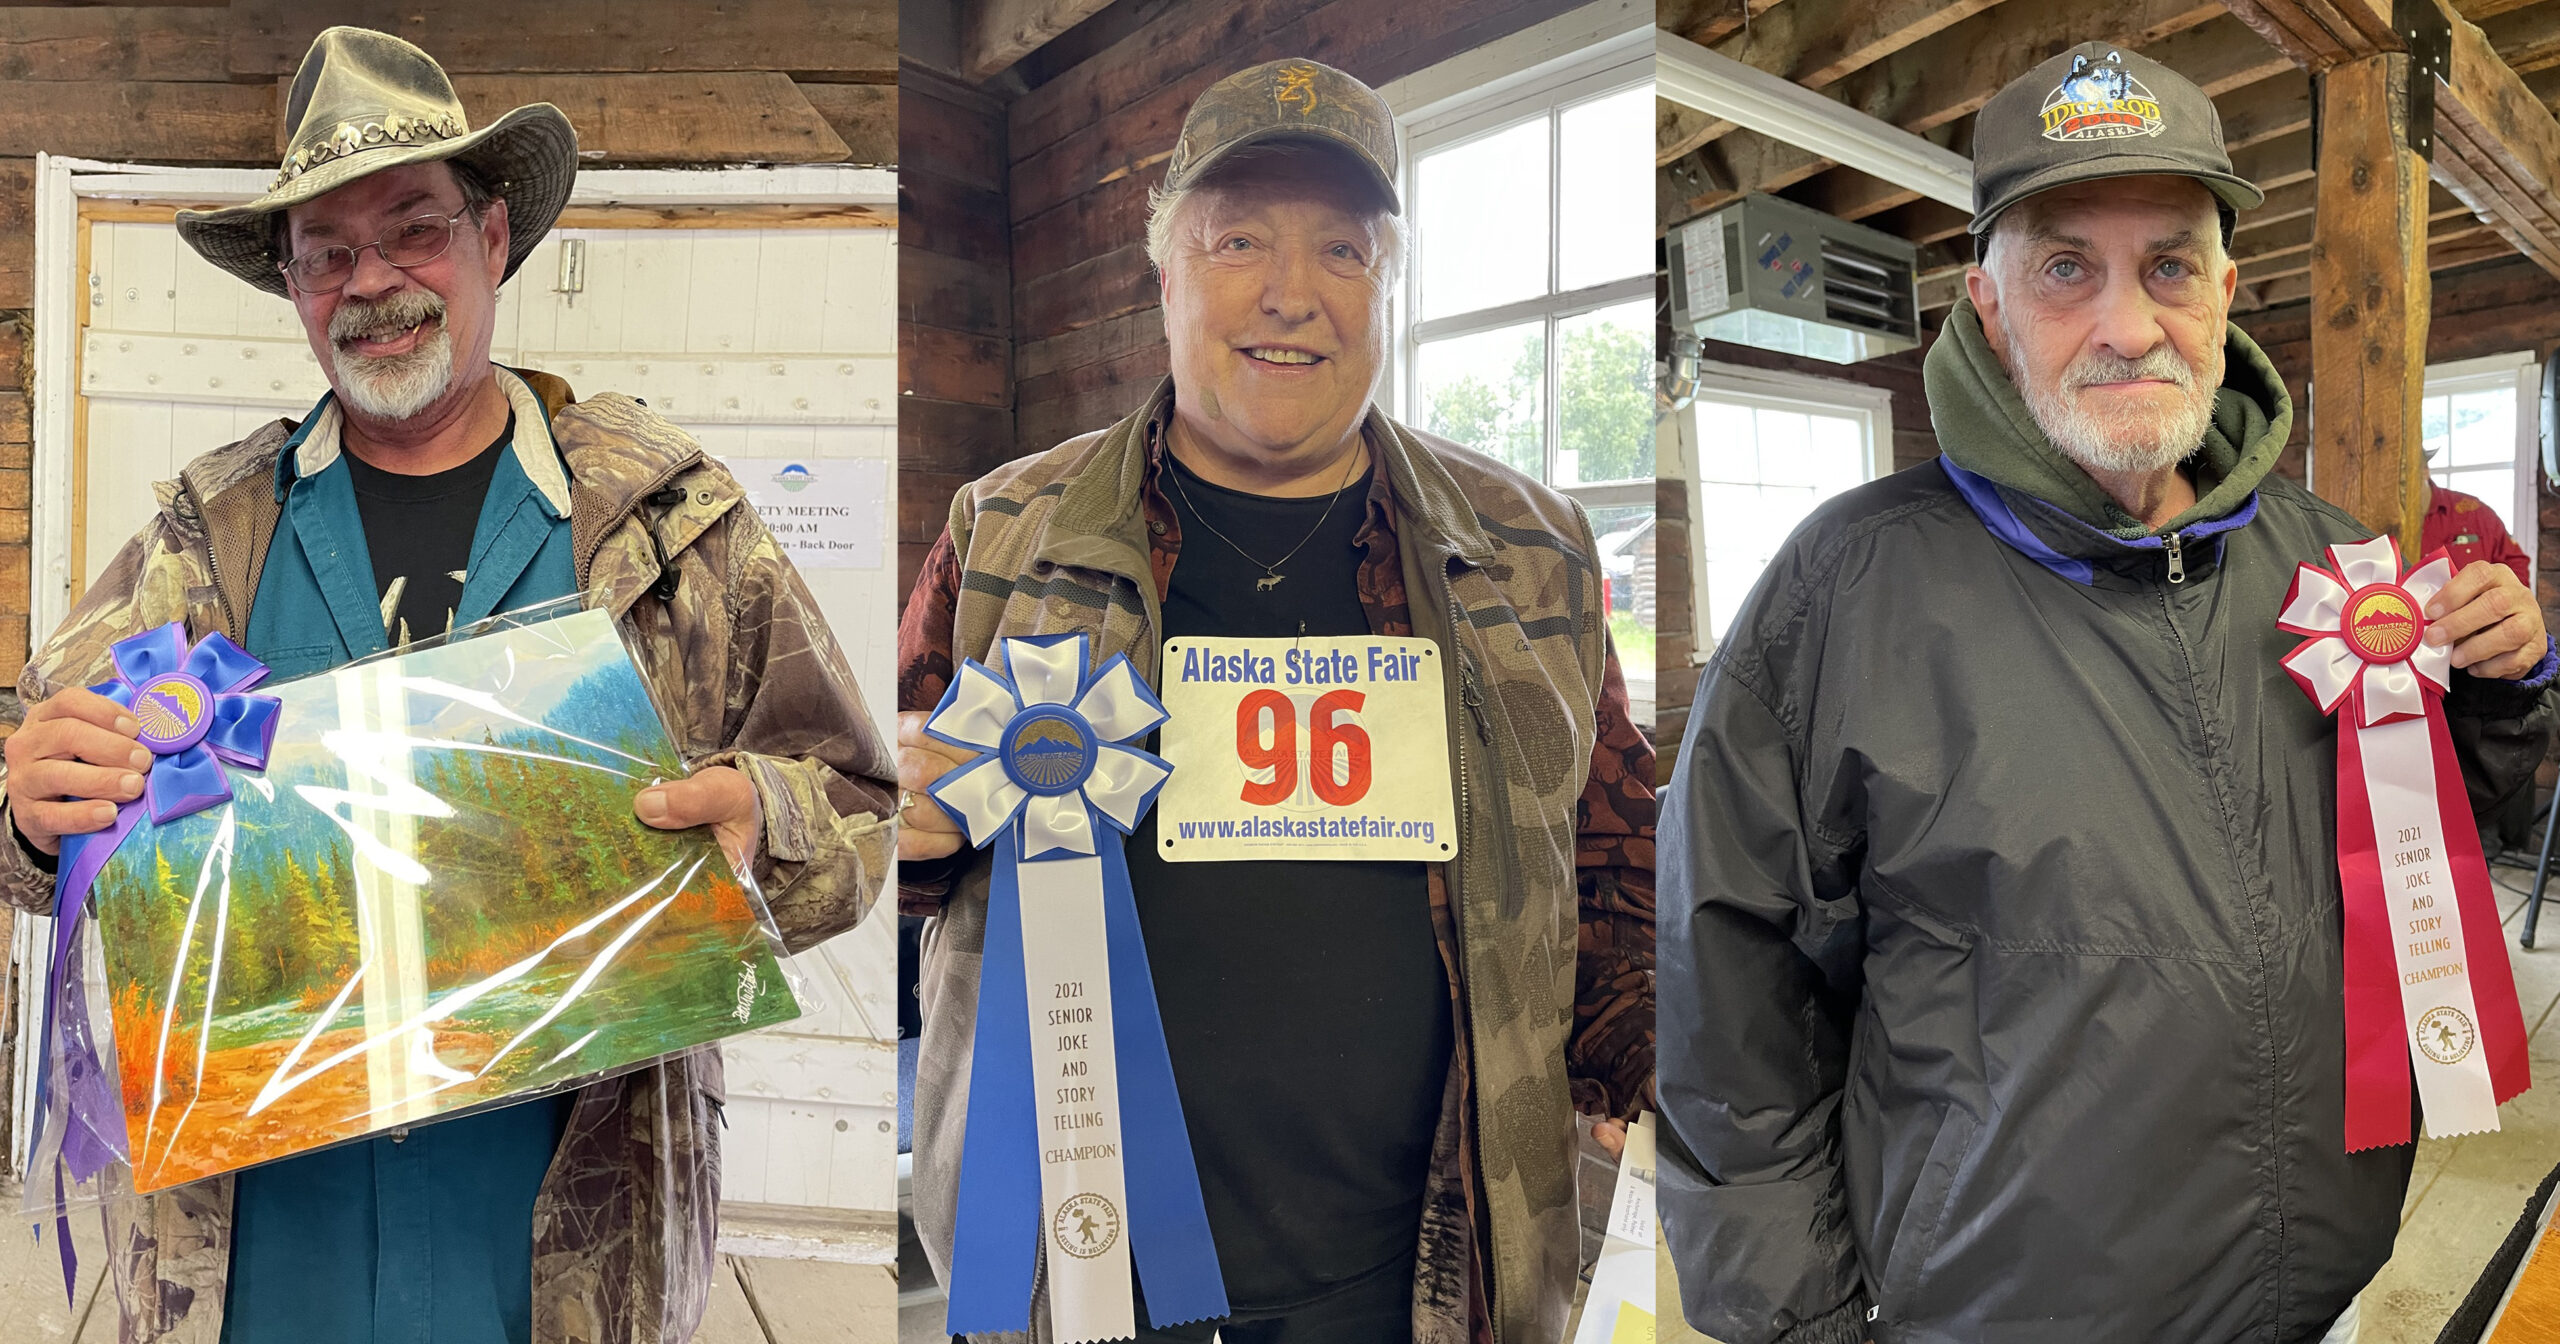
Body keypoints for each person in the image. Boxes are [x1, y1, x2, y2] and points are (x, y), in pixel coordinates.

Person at [0, 28, 896, 1344]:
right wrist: (37, 814)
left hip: (564, 1250)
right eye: (327, 252)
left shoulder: (669, 523)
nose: (372, 281)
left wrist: (767, 822)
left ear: (491, 237)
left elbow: (860, 803)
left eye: (413, 229)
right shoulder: (209, 535)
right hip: (265, 1252)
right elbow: (30, 796)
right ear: (294, 286)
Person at [1657, 42, 2555, 1344]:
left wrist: (2495, 691)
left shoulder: (2331, 561)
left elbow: (2428, 846)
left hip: (2320, 1289)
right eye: (2067, 268)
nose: (2129, 327)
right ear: (1989, 305)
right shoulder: (1842, 588)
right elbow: (1728, 1007)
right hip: (2000, 1312)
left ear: (2225, 294)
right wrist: (1794, 1322)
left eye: (2168, 267)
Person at [894, 58, 1655, 1344]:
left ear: (1386, 287)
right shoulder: (1003, 535)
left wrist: (1650, 1066)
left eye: (1342, 251)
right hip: (1073, 1273)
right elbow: (875, 845)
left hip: (1430, 1277)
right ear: (1165, 275)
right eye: (1238, 240)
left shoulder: (1537, 555)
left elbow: (1613, 866)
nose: (1291, 294)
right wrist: (902, 830)